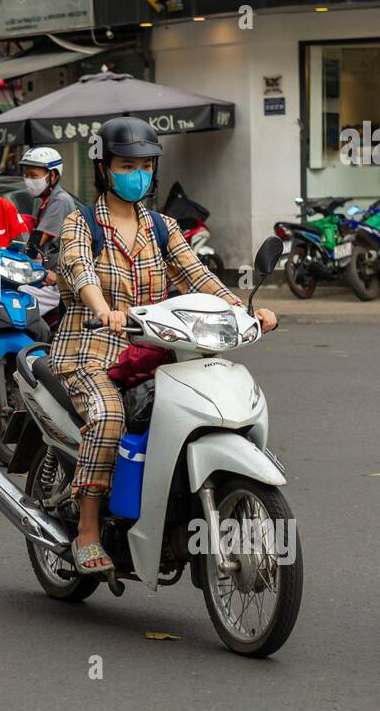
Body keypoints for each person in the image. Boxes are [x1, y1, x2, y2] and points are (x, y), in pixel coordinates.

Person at [49, 117, 278, 577]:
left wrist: (242, 309)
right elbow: (80, 271)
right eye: (126, 164)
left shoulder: (161, 226)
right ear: (104, 169)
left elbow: (197, 274)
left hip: (155, 346)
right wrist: (104, 308)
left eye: (145, 165)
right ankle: (89, 529)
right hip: (91, 346)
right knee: (110, 417)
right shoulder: (81, 224)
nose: (137, 174)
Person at [19, 146, 74, 322]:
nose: (28, 180)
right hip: (45, 277)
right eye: (26, 175)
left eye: (34, 175)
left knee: (19, 302)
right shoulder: (43, 201)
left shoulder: (59, 201)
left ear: (52, 175)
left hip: (58, 282)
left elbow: (35, 244)